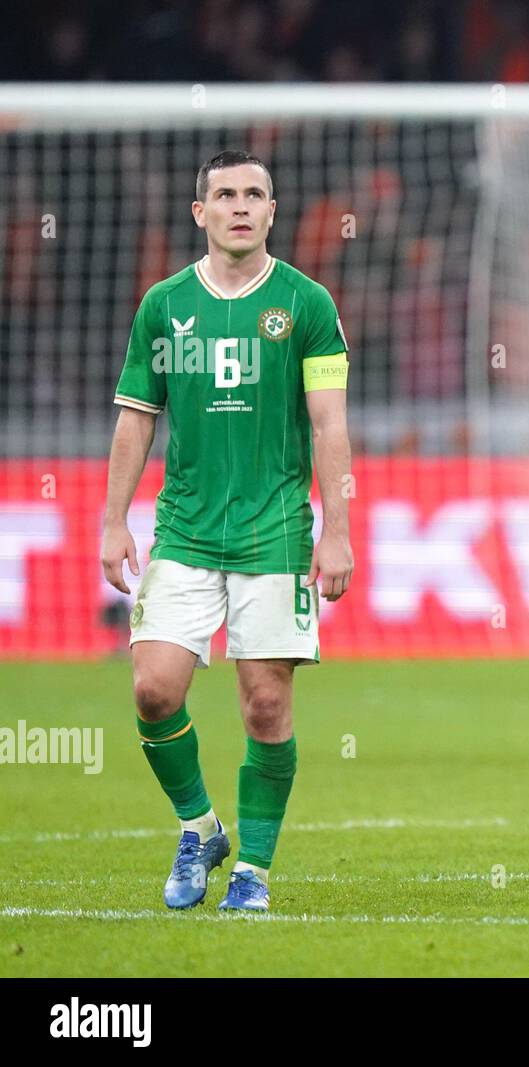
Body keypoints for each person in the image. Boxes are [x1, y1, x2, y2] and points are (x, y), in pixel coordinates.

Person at [101, 150, 353, 912]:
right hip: (184, 529)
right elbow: (136, 419)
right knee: (152, 689)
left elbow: (330, 423)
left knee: (265, 706)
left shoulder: (306, 304)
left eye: (254, 194)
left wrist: (336, 528)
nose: (239, 206)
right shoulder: (164, 304)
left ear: (272, 212)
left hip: (274, 530)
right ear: (200, 212)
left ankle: (254, 872)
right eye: (224, 195)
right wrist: (113, 519)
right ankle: (199, 826)